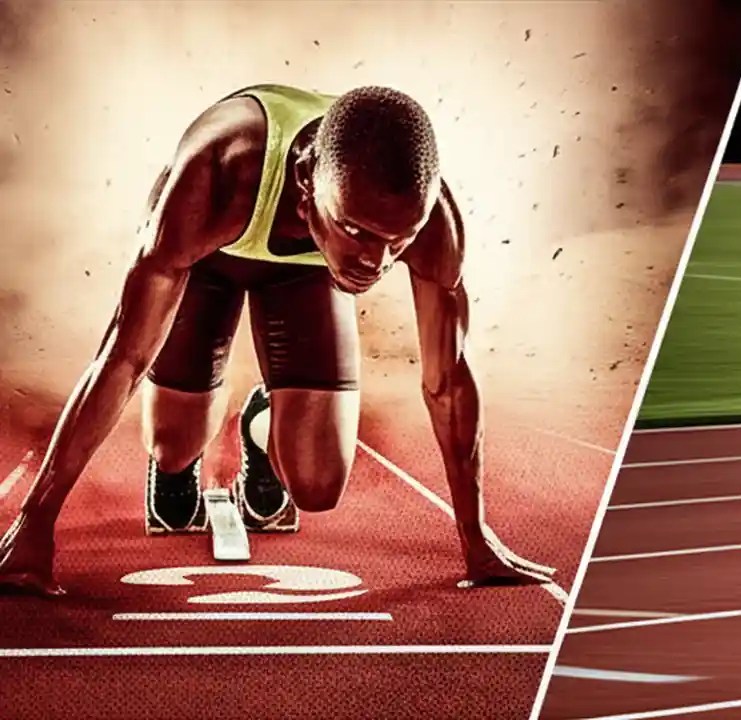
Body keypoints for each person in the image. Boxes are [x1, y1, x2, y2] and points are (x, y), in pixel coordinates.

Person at [0, 83, 554, 596]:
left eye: (397, 242)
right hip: (208, 255)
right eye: (358, 232)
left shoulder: (431, 222)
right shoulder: (214, 178)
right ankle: (175, 460)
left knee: (317, 487)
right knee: (174, 444)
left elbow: (448, 382)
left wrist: (475, 537)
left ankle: (263, 425)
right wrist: (34, 522)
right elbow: (122, 358)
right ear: (308, 182)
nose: (375, 263)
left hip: (306, 268)